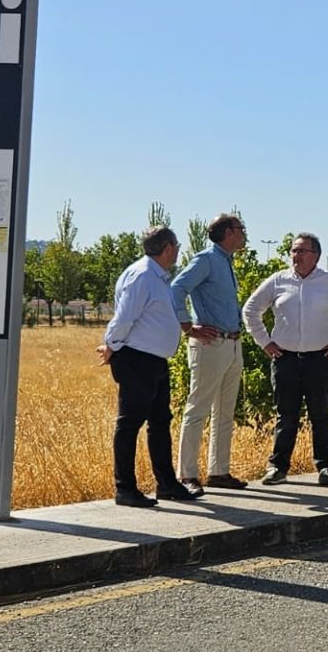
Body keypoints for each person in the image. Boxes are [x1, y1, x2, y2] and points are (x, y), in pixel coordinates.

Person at [97, 227, 203, 507]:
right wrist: (111, 345)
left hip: (153, 360)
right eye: (176, 246)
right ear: (167, 248)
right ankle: (125, 489)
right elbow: (124, 318)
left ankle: (166, 484)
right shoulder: (143, 276)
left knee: (159, 422)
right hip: (137, 359)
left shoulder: (157, 276)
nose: (178, 251)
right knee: (130, 423)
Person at [242, 232, 328, 487]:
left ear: (316, 255)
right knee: (286, 415)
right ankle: (278, 468)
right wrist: (264, 342)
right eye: (294, 250)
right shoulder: (278, 280)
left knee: (320, 414)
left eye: (302, 251)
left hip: (320, 358)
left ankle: (325, 468)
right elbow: (250, 310)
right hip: (285, 359)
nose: (296, 255)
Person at [170, 213, 249, 492]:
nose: (244, 233)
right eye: (240, 229)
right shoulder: (206, 260)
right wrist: (188, 326)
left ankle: (219, 472)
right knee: (198, 409)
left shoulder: (225, 261)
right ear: (228, 232)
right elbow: (176, 289)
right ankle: (187, 474)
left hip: (232, 343)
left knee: (225, 411)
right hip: (210, 345)